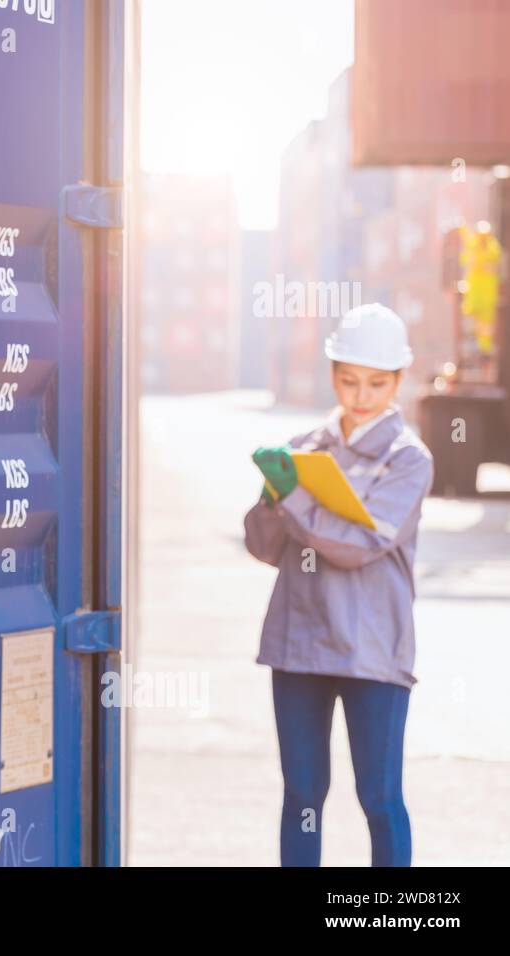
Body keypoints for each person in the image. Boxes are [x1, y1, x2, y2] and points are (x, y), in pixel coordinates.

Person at [243, 303, 434, 867]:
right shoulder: (305, 447)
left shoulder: (408, 460)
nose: (361, 396)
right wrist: (274, 500)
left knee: (378, 796)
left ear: (399, 381)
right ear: (332, 373)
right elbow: (263, 548)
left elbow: (359, 547)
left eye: (377, 383)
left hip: (371, 648)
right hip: (299, 643)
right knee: (301, 794)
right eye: (349, 380)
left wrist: (296, 497)